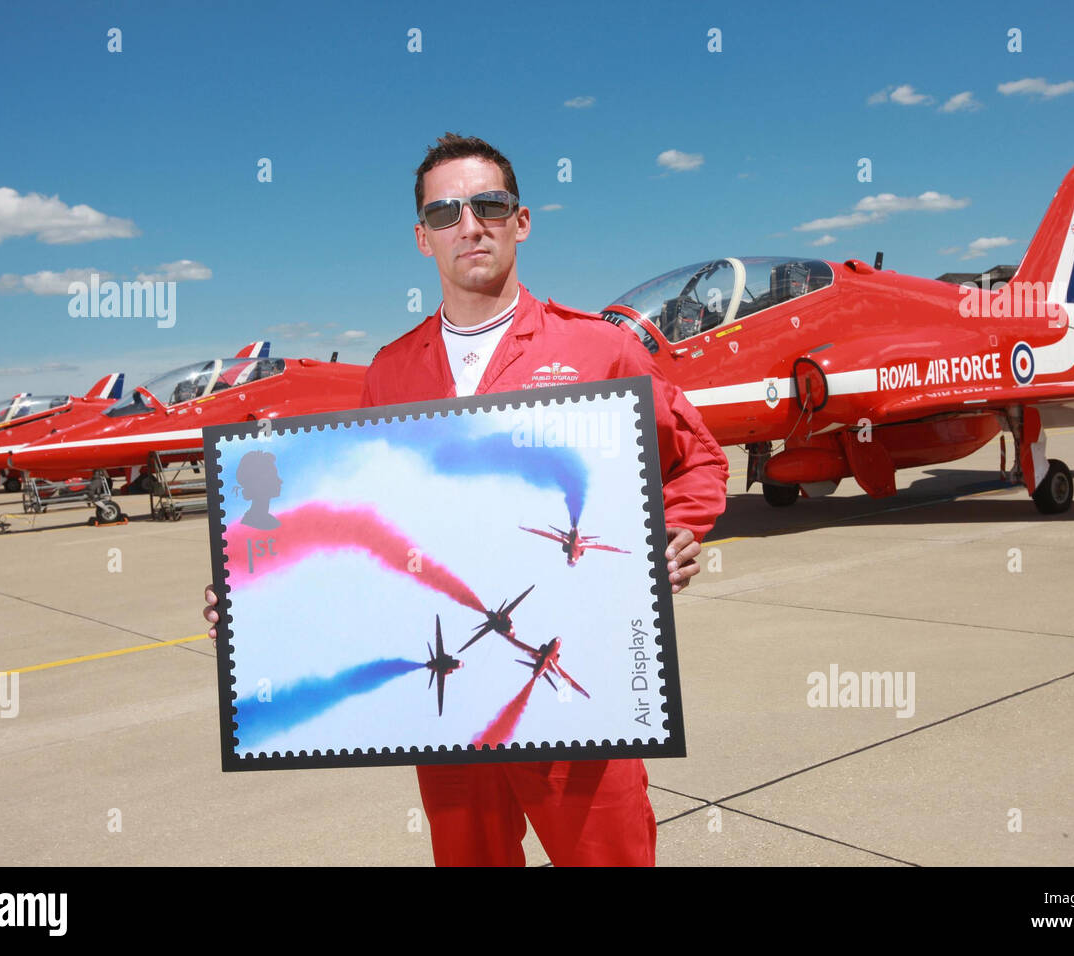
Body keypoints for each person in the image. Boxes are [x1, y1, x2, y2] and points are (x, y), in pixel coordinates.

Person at [204, 133, 728, 866]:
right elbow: (366, 528)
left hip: (582, 687)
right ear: (424, 238)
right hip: (446, 703)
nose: (470, 224)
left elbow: (696, 457)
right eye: (447, 211)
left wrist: (670, 531)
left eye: (489, 204)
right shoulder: (391, 372)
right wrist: (261, 596)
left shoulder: (598, 352)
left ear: (522, 221)